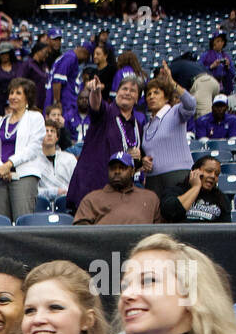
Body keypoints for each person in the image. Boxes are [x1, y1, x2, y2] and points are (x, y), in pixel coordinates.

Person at [66, 76, 145, 212]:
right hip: (92, 184)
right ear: (117, 92)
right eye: (124, 89)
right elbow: (96, 105)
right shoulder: (107, 112)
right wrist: (95, 92)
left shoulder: (137, 125)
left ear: (137, 98)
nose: (127, 92)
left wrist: (140, 159)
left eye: (132, 90)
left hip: (119, 189)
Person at [0, 78, 45, 220]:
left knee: (22, 223)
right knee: (1, 225)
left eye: (18, 93)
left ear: (27, 97)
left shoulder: (35, 118)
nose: (13, 96)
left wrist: (9, 164)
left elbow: (33, 148)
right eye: (11, 93)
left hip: (23, 177)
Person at [141, 66, 198, 196]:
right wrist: (144, 160)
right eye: (149, 94)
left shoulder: (176, 112)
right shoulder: (146, 126)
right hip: (153, 179)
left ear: (166, 97)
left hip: (177, 175)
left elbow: (191, 104)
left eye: (156, 93)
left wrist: (172, 83)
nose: (151, 97)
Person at [74, 152, 162, 225]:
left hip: (143, 245)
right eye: (113, 168)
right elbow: (80, 231)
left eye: (122, 168)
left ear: (132, 171)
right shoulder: (92, 199)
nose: (117, 171)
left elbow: (159, 233)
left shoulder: (150, 198)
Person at [160, 155, 232, 223]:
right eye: (209, 171)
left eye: (217, 174)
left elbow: (226, 229)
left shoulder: (221, 199)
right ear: (194, 172)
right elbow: (170, 213)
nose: (213, 176)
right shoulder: (175, 191)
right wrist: (196, 187)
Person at [36, 122, 77, 197]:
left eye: (52, 131)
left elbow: (77, 184)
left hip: (67, 202)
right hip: (43, 204)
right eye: (46, 131)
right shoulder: (34, 162)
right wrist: (54, 192)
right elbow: (32, 191)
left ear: (57, 137)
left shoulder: (70, 159)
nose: (49, 134)